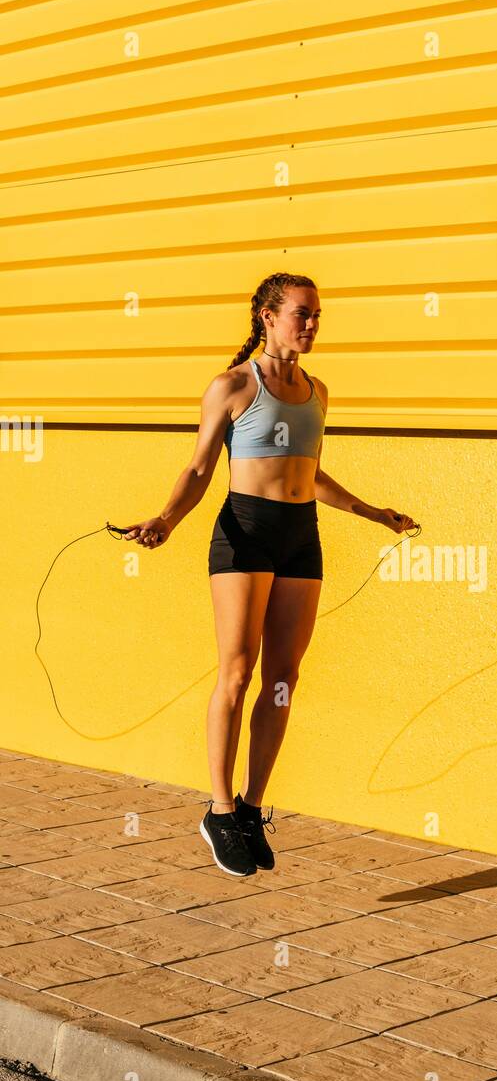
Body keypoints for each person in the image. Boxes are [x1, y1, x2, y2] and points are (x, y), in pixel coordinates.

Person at [121, 272, 417, 877]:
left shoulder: (318, 391)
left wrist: (372, 512)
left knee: (284, 678)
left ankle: (254, 807)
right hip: (246, 533)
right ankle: (220, 809)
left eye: (316, 316)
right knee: (237, 671)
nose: (310, 325)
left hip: (299, 537)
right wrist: (167, 519)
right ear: (266, 315)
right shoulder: (233, 386)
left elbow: (309, 473)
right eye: (301, 314)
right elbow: (200, 468)